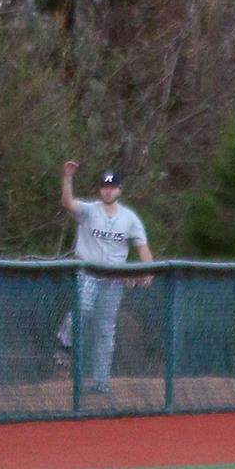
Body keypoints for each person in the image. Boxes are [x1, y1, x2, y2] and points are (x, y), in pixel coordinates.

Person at [57, 161, 154, 394]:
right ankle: (63, 341)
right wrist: (68, 177)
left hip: (114, 280)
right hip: (88, 272)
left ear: (119, 190)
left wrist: (148, 271)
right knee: (83, 309)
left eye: (112, 187)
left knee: (105, 330)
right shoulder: (90, 211)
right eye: (104, 187)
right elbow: (67, 203)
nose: (107, 190)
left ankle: (101, 382)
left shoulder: (129, 218)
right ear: (100, 190)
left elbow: (142, 247)